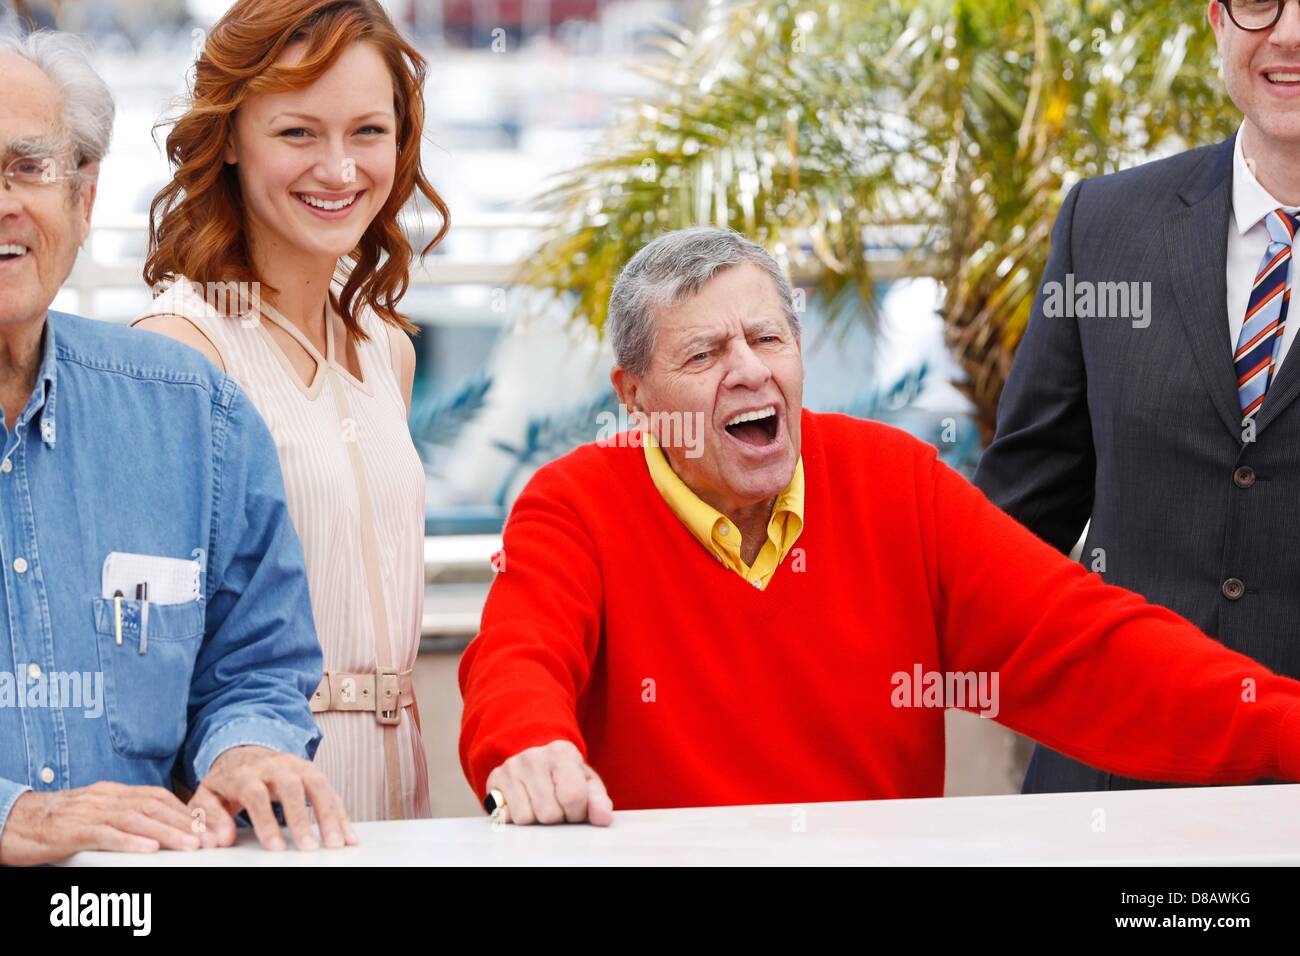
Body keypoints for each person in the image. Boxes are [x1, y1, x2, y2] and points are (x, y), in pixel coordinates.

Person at [458, 226, 1300, 825]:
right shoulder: (575, 503)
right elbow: (516, 658)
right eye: (704, 354)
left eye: (768, 338)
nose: (749, 371)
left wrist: (1286, 726)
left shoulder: (892, 481)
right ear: (634, 396)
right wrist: (528, 746)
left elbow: (1089, 644)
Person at [0, 30, 354, 865]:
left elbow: (257, 661)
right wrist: (13, 814)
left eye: (29, 168)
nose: (5, 202)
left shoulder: (196, 415)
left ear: (84, 198)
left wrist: (243, 748)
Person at [134, 0, 449, 821]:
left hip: (398, 799)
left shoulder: (389, 346)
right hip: (259, 803)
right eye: (299, 133)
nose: (340, 170)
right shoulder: (184, 349)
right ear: (231, 137)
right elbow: (153, 643)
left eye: (368, 132)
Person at [974, 0, 1300, 793]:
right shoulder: (1107, 222)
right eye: (1262, 2)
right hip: (1109, 780)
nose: (1289, 34)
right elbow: (1017, 515)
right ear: (1219, 20)